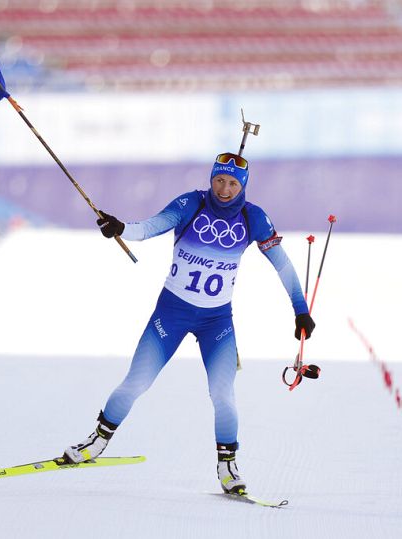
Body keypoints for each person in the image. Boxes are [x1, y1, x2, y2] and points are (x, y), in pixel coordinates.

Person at [63, 151, 315, 494]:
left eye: (232, 183)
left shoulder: (253, 217)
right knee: (136, 383)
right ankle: (97, 440)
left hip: (217, 321)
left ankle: (228, 466)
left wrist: (299, 309)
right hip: (172, 313)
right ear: (210, 179)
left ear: (243, 186)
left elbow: (282, 265)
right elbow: (151, 226)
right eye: (219, 180)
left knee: (224, 395)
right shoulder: (190, 204)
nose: (224, 189)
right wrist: (121, 228)